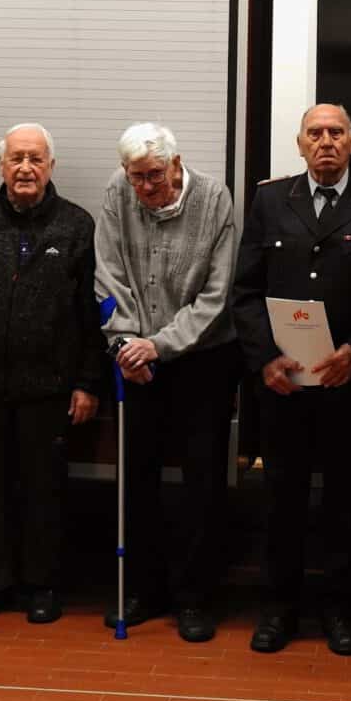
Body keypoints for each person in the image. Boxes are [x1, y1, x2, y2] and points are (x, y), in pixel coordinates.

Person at [232, 103, 351, 656]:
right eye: (315, 133)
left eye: (335, 132)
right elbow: (246, 291)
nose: (325, 141)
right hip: (283, 383)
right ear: (299, 144)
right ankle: (278, 609)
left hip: (348, 383)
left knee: (345, 502)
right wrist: (265, 358)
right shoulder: (269, 200)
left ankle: (341, 610)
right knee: (281, 499)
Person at [0, 123, 102, 626]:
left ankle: (41, 585)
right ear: (2, 166)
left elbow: (92, 313)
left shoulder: (77, 225)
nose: (25, 168)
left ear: (51, 166)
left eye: (35, 159)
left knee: (43, 490)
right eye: (16, 159)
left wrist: (87, 382)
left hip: (49, 389)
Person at [95, 123, 240, 642]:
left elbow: (217, 295)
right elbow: (108, 274)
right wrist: (125, 344)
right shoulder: (119, 190)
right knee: (137, 478)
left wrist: (159, 344)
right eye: (136, 177)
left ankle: (196, 597)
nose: (144, 187)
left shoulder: (214, 198)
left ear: (176, 165)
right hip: (134, 356)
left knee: (203, 480)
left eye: (154, 176)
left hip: (203, 357)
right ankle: (143, 589)